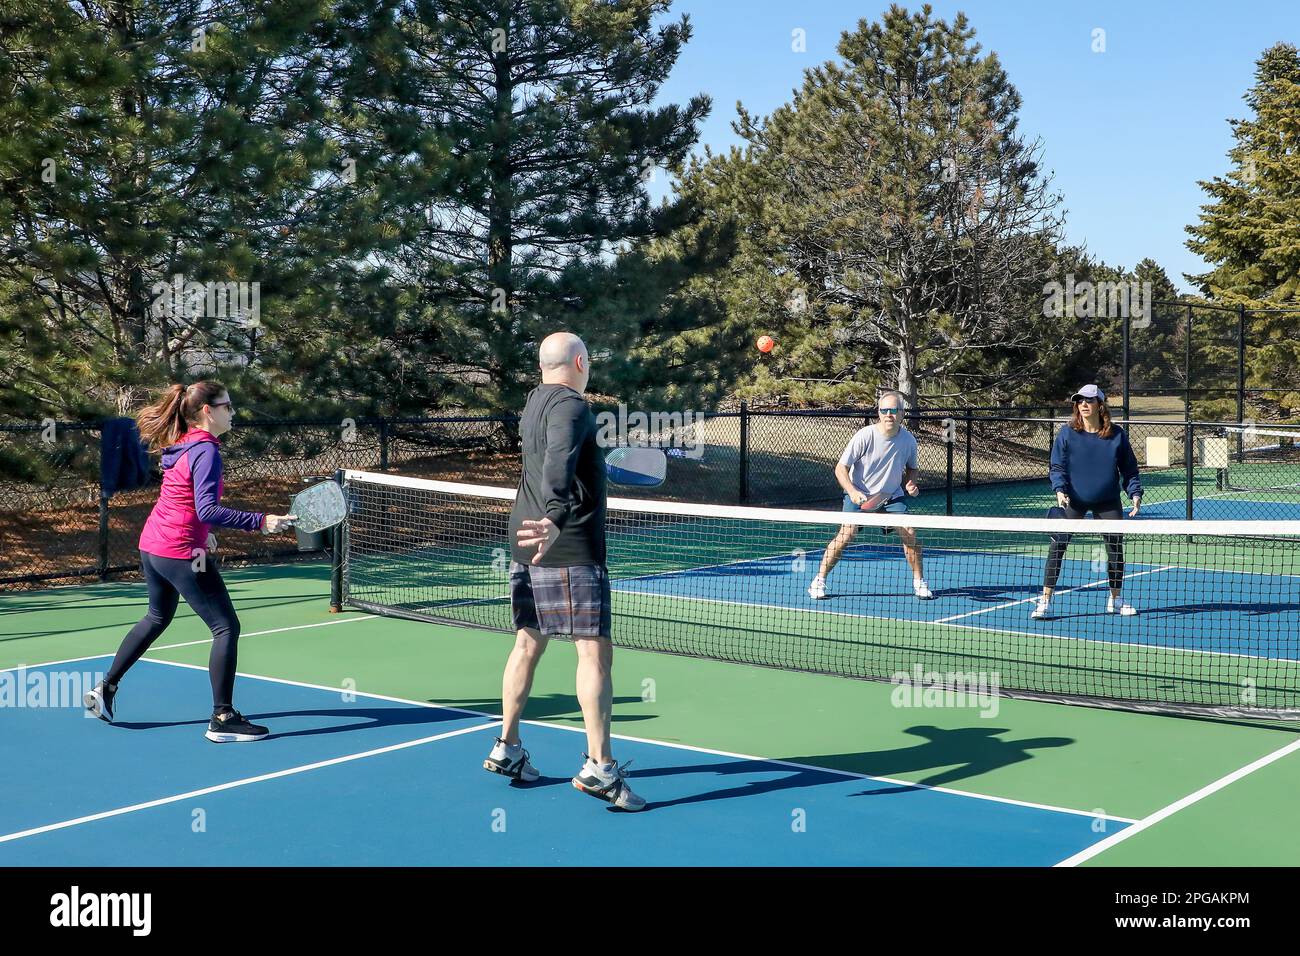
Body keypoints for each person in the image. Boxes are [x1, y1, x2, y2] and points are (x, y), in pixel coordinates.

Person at [482, 332, 646, 811]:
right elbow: (557, 464)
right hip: (564, 542)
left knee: (528, 642)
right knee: (593, 653)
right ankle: (600, 766)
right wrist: (554, 518)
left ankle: (507, 747)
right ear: (581, 361)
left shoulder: (535, 400)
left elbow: (560, 457)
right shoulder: (574, 407)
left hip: (523, 538)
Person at [83, 382, 296, 741]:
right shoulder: (207, 452)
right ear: (208, 412)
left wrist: (203, 529)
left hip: (153, 547)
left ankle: (105, 689)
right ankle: (223, 718)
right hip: (183, 553)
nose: (233, 412)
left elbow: (182, 499)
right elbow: (207, 507)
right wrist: (262, 522)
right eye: (227, 406)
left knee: (156, 617)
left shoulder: (182, 444)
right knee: (226, 628)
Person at [808, 390, 932, 601]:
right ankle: (818, 581)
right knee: (846, 534)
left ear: (902, 413)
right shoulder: (864, 435)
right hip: (860, 495)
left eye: (893, 410)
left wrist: (911, 483)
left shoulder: (909, 441)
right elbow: (840, 468)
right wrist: (853, 492)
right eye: (884, 410)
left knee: (909, 531)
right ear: (878, 412)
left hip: (891, 495)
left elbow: (912, 468)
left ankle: (919, 583)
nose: (888, 415)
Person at [1032, 384, 1142, 620]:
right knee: (1057, 547)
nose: (1083, 404)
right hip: (1075, 501)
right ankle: (1045, 601)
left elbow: (1129, 470)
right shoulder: (1067, 433)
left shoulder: (1117, 435)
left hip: (1108, 501)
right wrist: (1060, 490)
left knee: (1114, 550)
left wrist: (1135, 494)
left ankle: (1115, 599)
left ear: (1100, 405)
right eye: (1079, 400)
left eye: (1089, 400)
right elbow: (1057, 466)